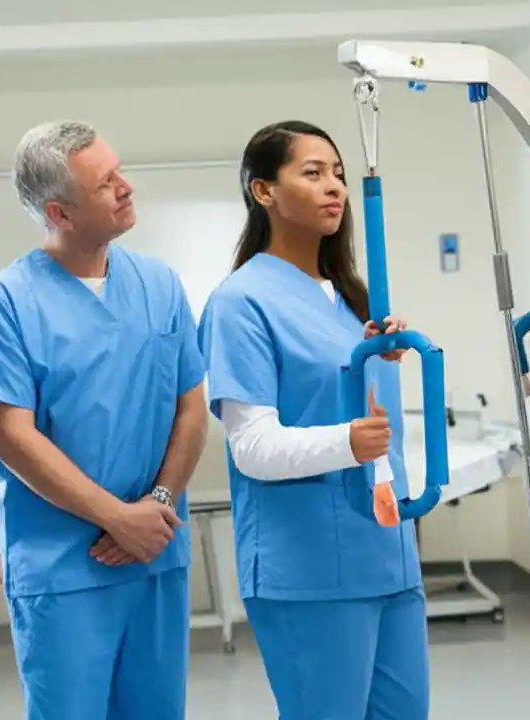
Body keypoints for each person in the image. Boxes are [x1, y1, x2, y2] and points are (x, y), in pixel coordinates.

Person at [0, 120, 209, 719]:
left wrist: (155, 506)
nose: (126, 187)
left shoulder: (159, 285)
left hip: (154, 551)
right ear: (59, 213)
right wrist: (117, 518)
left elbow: (191, 407)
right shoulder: (6, 302)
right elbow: (12, 437)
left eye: (120, 171)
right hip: (65, 566)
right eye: (105, 183)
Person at [196, 120, 424, 719]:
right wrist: (348, 441)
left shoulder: (353, 301)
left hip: (388, 554)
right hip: (310, 568)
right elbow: (252, 447)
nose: (336, 187)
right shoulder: (240, 302)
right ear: (264, 191)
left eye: (339, 174)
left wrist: (380, 352)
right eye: (314, 172)